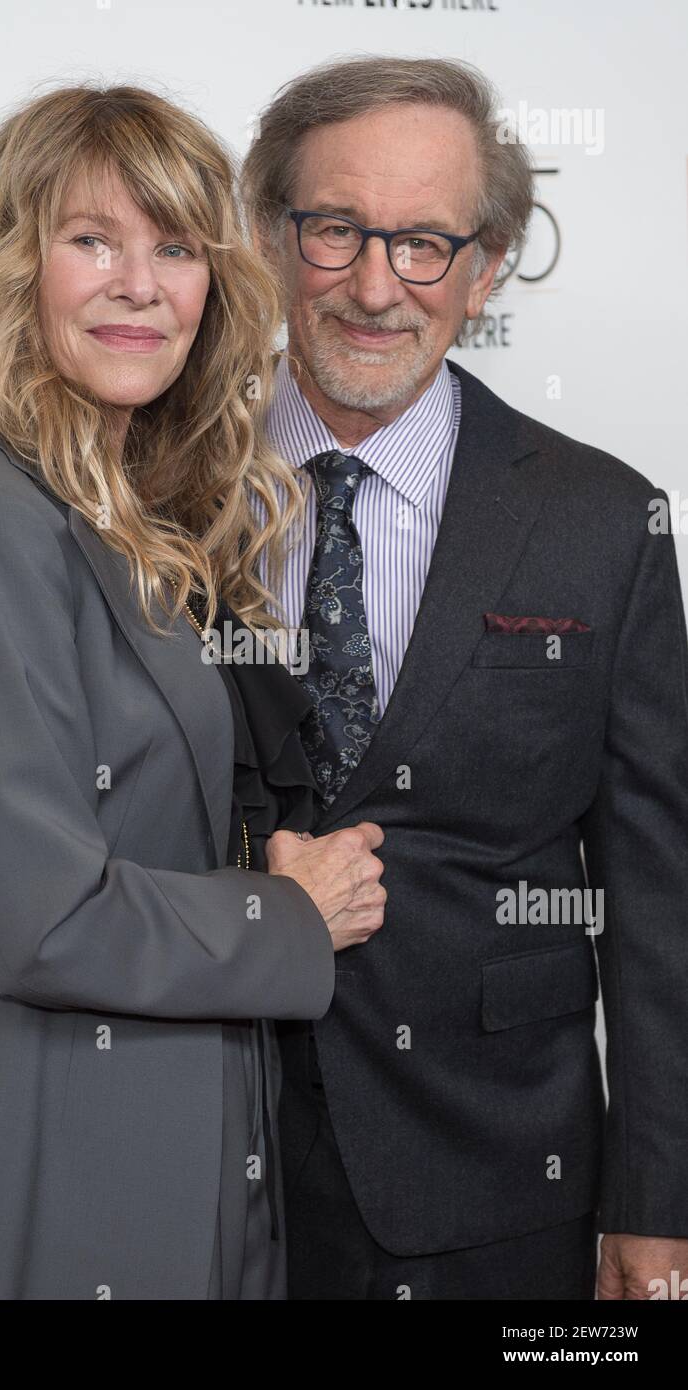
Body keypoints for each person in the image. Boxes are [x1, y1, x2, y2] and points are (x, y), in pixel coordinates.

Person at [0, 83, 386, 1300]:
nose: (142, 284)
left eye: (176, 245)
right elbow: (44, 915)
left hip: (148, 1137)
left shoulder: (113, 497)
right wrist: (286, 913)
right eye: (93, 240)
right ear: (9, 266)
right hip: (47, 1166)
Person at [241, 54, 688, 1299]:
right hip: (207, 1151)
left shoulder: (601, 521)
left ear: (485, 266)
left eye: (425, 242)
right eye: (334, 230)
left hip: (495, 1184)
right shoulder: (160, 490)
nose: (376, 286)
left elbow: (658, 892)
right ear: (272, 236)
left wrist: (658, 1204)